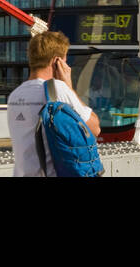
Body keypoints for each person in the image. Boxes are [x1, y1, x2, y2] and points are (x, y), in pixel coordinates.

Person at [7, 30, 100, 176]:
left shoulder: (15, 95)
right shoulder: (58, 90)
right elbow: (94, 128)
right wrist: (69, 86)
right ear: (57, 61)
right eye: (65, 60)